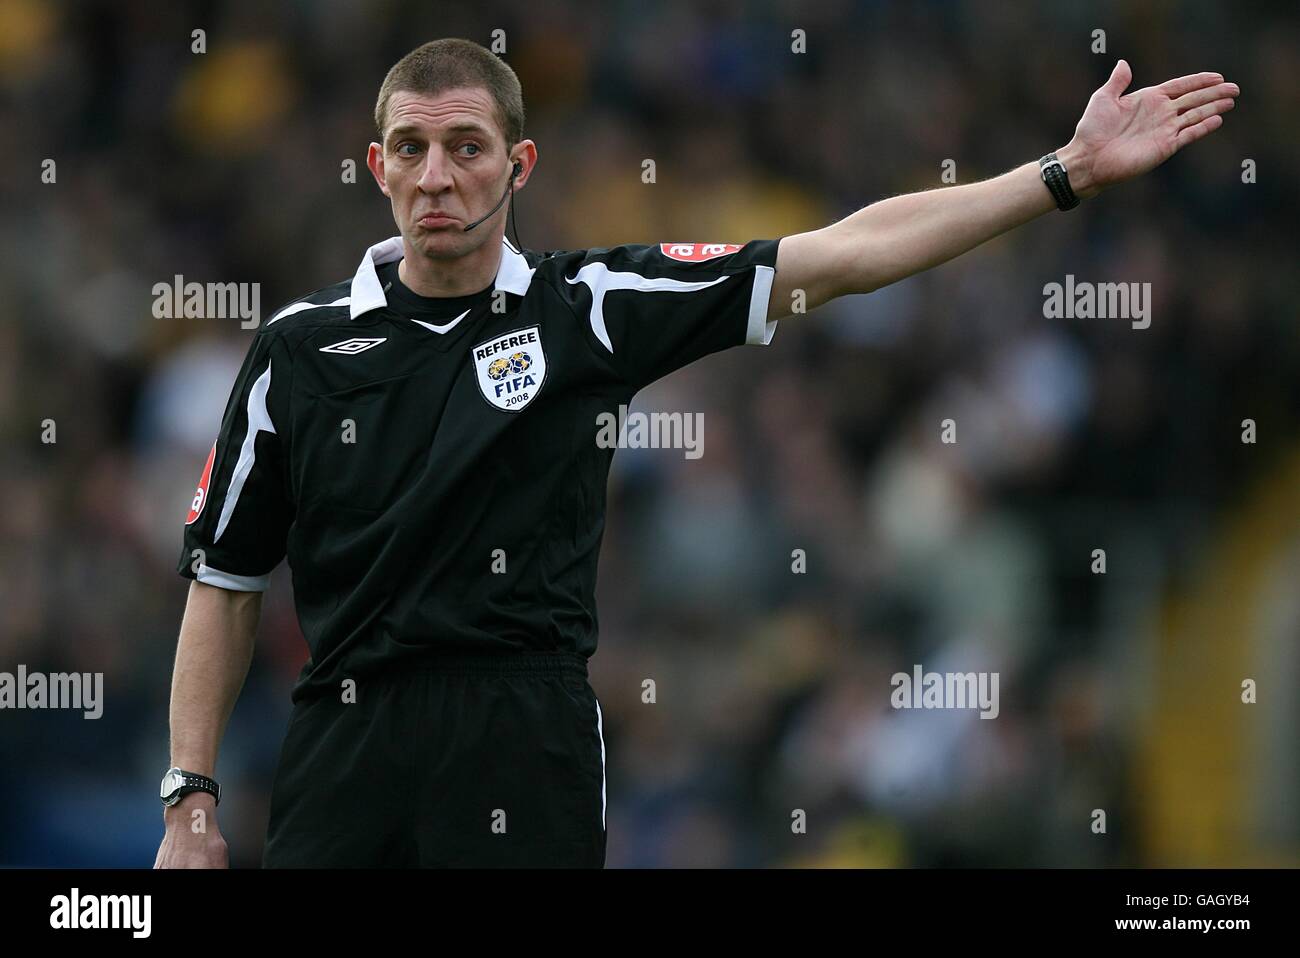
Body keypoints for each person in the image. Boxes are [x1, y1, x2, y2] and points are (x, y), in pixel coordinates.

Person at [154, 37, 1237, 868]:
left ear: (518, 163)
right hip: (345, 735)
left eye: (467, 147)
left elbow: (845, 254)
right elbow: (227, 579)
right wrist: (190, 794)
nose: (437, 175)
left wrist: (1060, 173)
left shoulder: (589, 305)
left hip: (523, 736)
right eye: (411, 148)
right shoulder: (297, 352)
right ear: (376, 164)